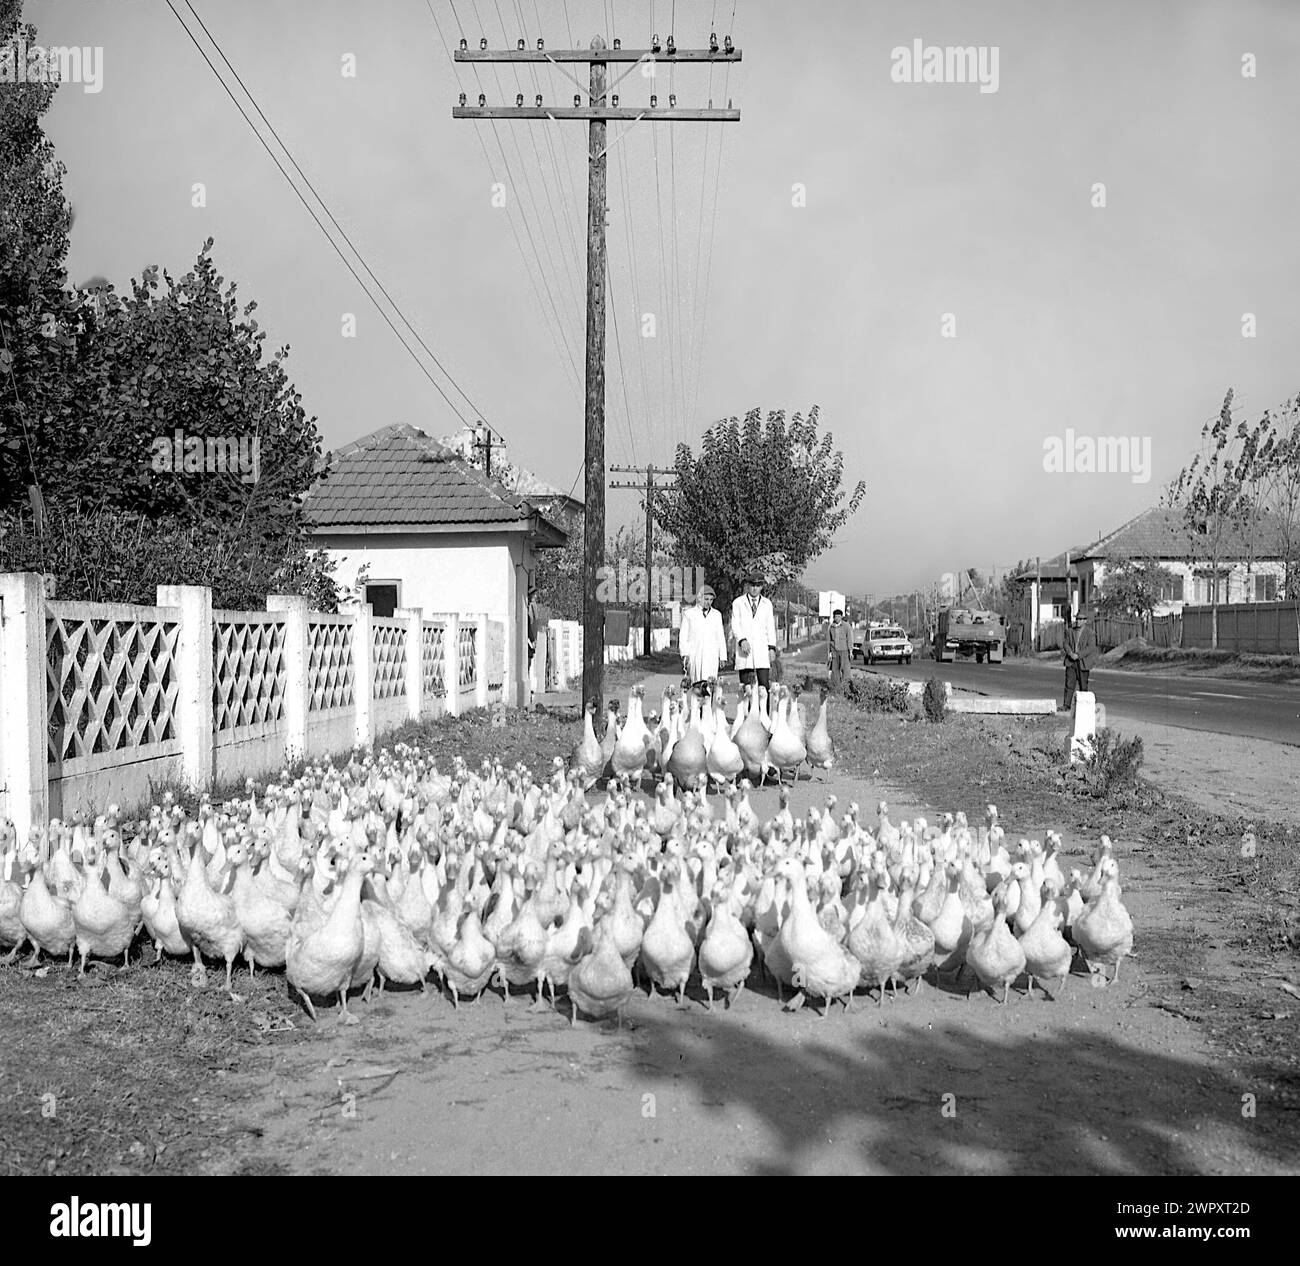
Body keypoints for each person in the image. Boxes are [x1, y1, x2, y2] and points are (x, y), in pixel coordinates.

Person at [730, 572, 778, 692]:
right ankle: (746, 711)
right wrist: (742, 640)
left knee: (764, 687)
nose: (755, 588)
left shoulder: (767, 604)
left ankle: (764, 711)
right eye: (752, 585)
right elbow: (735, 625)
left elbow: (770, 627)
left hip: (761, 650)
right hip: (745, 649)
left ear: (761, 586)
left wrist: (772, 647)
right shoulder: (738, 603)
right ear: (747, 585)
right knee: (746, 688)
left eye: (758, 585)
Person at [679, 585, 726, 696]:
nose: (708, 602)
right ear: (699, 598)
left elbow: (720, 636)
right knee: (697, 685)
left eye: (711, 600)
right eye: (706, 599)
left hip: (711, 655)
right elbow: (683, 635)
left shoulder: (716, 615)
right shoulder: (689, 614)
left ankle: (708, 712)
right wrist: (685, 654)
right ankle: (696, 711)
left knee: (710, 685)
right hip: (695, 654)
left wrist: (722, 656)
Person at [1063, 608, 1099, 710]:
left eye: (1081, 619)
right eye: (1077, 619)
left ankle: (1083, 707)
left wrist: (1078, 655)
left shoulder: (1090, 633)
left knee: (1083, 685)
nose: (1078, 621)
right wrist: (1070, 653)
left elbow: (1090, 647)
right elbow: (1065, 643)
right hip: (1071, 661)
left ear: (1085, 621)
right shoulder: (1070, 631)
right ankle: (1066, 705)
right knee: (1069, 684)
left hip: (1083, 662)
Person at [827, 608, 852, 692]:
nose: (837, 618)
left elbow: (849, 638)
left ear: (841, 617)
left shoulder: (846, 626)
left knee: (845, 669)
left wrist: (850, 651)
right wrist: (829, 652)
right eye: (835, 616)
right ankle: (836, 688)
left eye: (838, 616)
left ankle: (846, 687)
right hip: (834, 651)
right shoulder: (831, 627)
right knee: (835, 670)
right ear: (833, 617)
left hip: (844, 651)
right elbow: (829, 640)